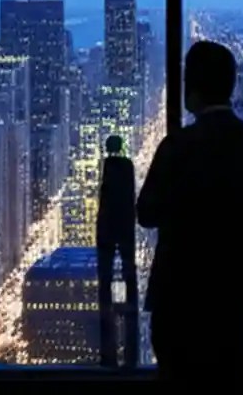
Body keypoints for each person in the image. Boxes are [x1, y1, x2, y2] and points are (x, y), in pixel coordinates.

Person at [138, 41, 243, 381]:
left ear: (191, 87)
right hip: (231, 295)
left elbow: (146, 213)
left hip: (179, 299)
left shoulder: (178, 146)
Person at [96, 134, 138, 368]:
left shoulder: (110, 167)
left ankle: (111, 353)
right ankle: (126, 303)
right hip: (123, 226)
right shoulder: (126, 166)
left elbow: (106, 200)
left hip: (109, 228)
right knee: (127, 272)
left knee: (107, 277)